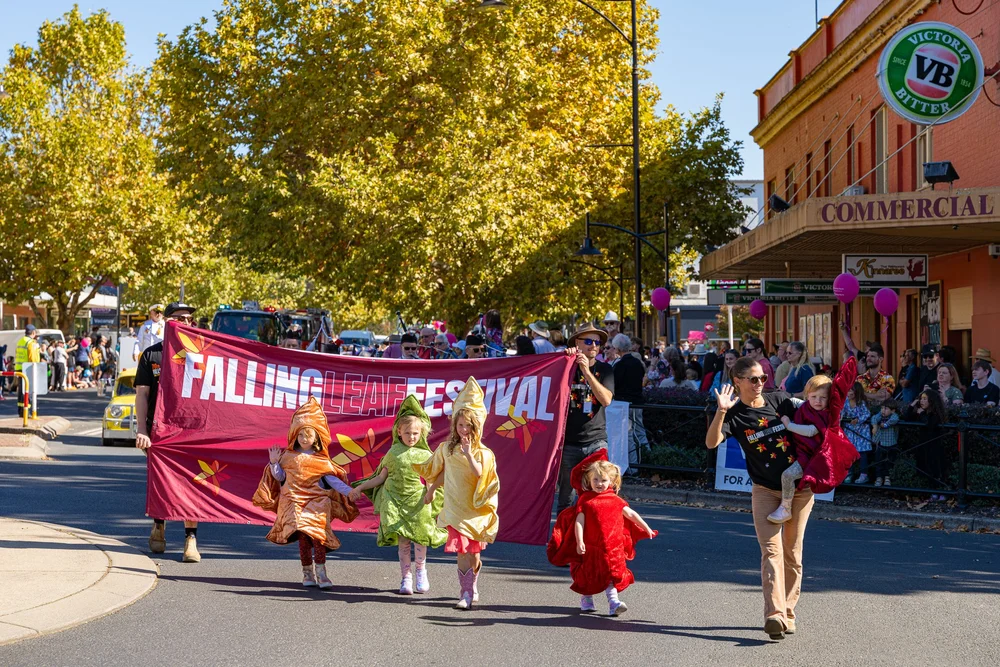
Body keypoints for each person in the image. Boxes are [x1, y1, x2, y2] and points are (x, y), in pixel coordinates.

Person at [706, 355, 811, 640]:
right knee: (771, 552)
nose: (760, 383)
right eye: (753, 379)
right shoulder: (734, 413)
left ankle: (789, 612)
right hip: (764, 489)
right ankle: (774, 615)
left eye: (763, 377)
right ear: (737, 381)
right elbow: (712, 442)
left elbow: (812, 415)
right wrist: (721, 412)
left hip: (800, 490)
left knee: (792, 553)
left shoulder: (779, 399)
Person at [253, 398, 359, 588]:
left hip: (316, 506)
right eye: (300, 434)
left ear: (316, 438)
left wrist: (350, 491)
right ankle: (307, 574)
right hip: (294, 503)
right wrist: (275, 462)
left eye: (308, 435)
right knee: (303, 538)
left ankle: (322, 574)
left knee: (318, 538)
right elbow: (280, 477)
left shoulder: (322, 462)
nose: (304, 438)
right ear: (295, 435)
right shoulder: (288, 457)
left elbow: (332, 480)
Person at [414, 378, 500, 610]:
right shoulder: (447, 449)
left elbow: (480, 473)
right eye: (461, 425)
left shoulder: (484, 453)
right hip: (455, 509)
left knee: (474, 555)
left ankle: (472, 584)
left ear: (477, 427)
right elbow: (444, 474)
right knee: (462, 552)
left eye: (469, 426)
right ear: (455, 425)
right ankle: (465, 593)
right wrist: (431, 490)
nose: (464, 430)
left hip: (476, 510)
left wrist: (470, 454)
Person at [349, 396, 447, 594]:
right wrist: (360, 488)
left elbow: (430, 480)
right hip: (396, 502)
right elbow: (380, 478)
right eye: (408, 433)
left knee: (420, 539)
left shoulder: (425, 455)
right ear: (399, 432)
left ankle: (421, 571)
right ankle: (406, 578)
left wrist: (431, 494)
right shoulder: (393, 454)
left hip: (418, 503)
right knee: (403, 541)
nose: (411, 437)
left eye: (415, 433)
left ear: (422, 433)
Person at [546, 450, 656, 616]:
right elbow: (579, 522)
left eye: (603, 480)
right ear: (588, 481)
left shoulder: (616, 500)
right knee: (588, 574)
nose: (599, 483)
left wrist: (646, 527)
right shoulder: (586, 501)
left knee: (610, 574)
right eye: (595, 480)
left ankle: (614, 602)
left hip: (612, 548)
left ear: (611, 481)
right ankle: (586, 598)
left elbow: (631, 514)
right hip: (591, 547)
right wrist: (580, 541)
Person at [135, 302, 204, 562]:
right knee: (162, 483)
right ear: (166, 321)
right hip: (159, 433)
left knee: (193, 485)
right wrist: (142, 430)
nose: (184, 322)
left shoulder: (204, 354)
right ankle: (159, 526)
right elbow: (142, 394)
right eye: (178, 318)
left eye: (188, 318)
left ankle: (190, 539)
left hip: (192, 432)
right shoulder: (152, 355)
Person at [768, 358, 859, 524]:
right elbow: (796, 402)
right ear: (807, 395)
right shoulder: (805, 406)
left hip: (812, 457)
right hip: (798, 450)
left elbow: (811, 431)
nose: (818, 401)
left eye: (823, 397)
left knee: (787, 475)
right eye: (814, 396)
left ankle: (785, 507)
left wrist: (789, 425)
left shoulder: (825, 415)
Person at [557, 324, 614, 513]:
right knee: (567, 498)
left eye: (597, 342)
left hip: (596, 441)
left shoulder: (605, 370)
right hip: (569, 443)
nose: (594, 346)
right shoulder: (565, 367)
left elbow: (606, 400)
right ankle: (565, 540)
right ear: (576, 343)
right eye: (588, 341)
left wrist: (587, 372)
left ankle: (594, 539)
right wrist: (564, 359)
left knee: (598, 495)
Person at [610, 333, 647, 475]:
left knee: (629, 435)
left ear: (618, 349)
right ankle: (648, 460)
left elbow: (614, 385)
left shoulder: (619, 365)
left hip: (625, 404)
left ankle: (634, 467)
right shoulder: (637, 363)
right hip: (638, 402)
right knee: (640, 432)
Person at [904, 391, 948, 501]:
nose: (922, 401)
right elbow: (907, 418)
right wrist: (913, 404)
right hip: (923, 444)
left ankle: (942, 491)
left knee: (936, 469)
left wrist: (922, 414)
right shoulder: (921, 411)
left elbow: (930, 425)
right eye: (921, 398)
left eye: (925, 399)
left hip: (935, 445)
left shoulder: (935, 414)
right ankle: (933, 491)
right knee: (927, 468)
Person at [841, 382, 872, 485]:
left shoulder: (861, 402)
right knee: (849, 453)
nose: (848, 393)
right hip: (850, 431)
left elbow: (867, 413)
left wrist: (858, 420)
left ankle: (864, 475)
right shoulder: (845, 402)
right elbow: (842, 412)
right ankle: (849, 473)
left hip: (861, 431)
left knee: (862, 454)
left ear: (856, 392)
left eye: (850, 390)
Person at [871, 400, 901, 488]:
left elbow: (894, 419)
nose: (883, 410)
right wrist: (875, 426)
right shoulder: (880, 415)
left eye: (886, 409)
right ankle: (879, 478)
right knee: (878, 461)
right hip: (879, 443)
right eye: (882, 408)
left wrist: (885, 424)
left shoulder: (894, 416)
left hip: (890, 444)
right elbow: (874, 418)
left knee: (889, 461)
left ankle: (887, 478)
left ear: (893, 410)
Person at [14, 325, 40, 417]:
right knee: (28, 391)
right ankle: (27, 411)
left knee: (21, 391)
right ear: (33, 333)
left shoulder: (21, 341)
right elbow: (32, 358)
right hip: (28, 368)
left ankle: (21, 411)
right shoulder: (31, 342)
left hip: (19, 368)